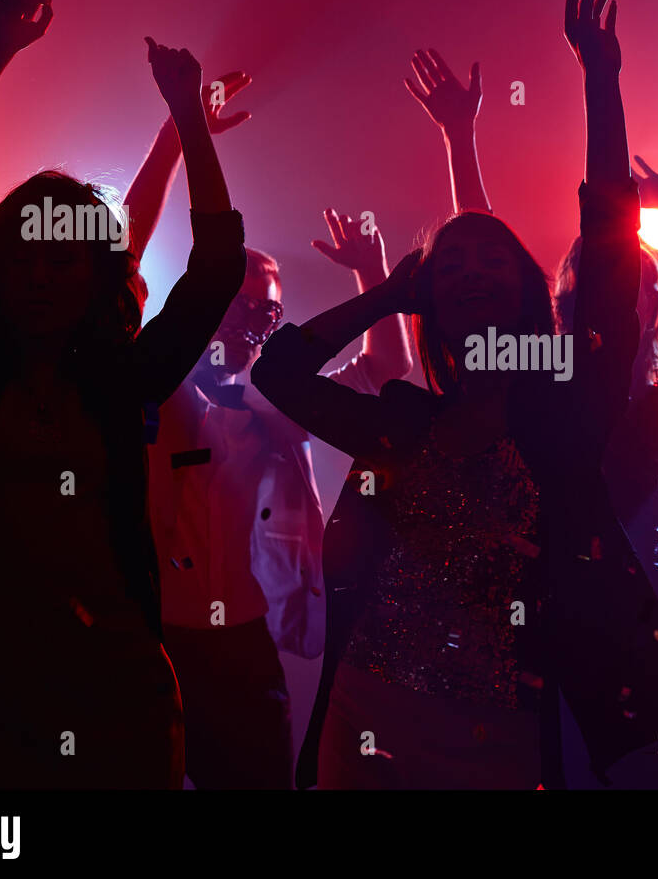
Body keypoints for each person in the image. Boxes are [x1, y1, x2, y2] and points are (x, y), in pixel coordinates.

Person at [253, 0, 658, 789]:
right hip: (368, 719)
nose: (468, 272)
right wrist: (389, 292)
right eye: (449, 265)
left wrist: (600, 81)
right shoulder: (403, 421)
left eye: (490, 259)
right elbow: (281, 373)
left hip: (506, 737)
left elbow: (606, 246)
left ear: (531, 291)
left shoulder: (570, 404)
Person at [0, 0, 247, 788]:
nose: (40, 274)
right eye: (26, 256)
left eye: (63, 257)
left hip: (119, 677)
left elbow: (215, 269)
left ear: (95, 274)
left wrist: (189, 118)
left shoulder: (120, 376)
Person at [405, 50, 658, 785]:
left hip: (649, 649)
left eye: (640, 288)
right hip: (541, 650)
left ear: (655, 310)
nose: (624, 298)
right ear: (565, 308)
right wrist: (459, 141)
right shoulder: (540, 389)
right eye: (595, 289)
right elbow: (489, 279)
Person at [123, 80, 412, 788]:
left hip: (245, 644)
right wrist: (175, 136)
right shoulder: (151, 380)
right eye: (243, 306)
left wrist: (375, 275)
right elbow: (119, 259)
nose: (255, 325)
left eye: (268, 316)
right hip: (154, 640)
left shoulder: (279, 401)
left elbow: (386, 372)